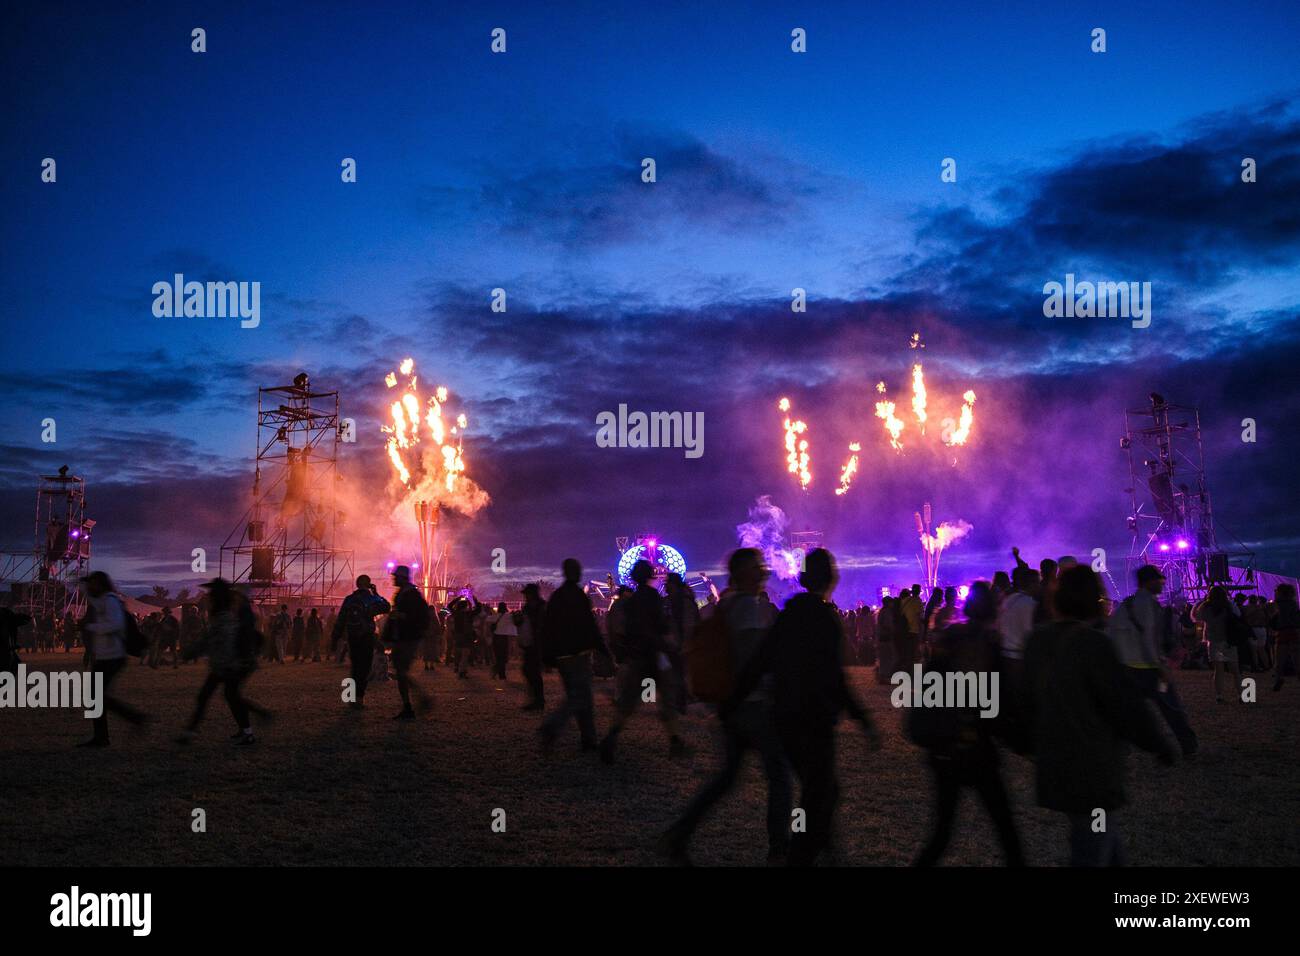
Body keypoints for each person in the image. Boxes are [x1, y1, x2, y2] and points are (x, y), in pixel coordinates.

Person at [728, 549, 880, 866]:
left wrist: (733, 699)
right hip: (814, 721)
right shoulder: (826, 619)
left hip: (784, 718)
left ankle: (820, 848)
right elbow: (835, 677)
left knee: (821, 791)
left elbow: (760, 660)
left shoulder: (787, 615)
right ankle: (801, 853)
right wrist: (861, 717)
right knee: (819, 794)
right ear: (831, 578)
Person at [1023, 566, 1177, 866]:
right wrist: (1159, 744)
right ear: (1095, 600)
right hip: (1091, 766)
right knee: (1091, 844)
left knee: (1100, 837)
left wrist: (1028, 743)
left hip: (1054, 761)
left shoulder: (1037, 641)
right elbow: (1126, 707)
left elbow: (1024, 699)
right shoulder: (1094, 645)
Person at [660, 548, 792, 865]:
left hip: (732, 705)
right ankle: (779, 849)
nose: (763, 572)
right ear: (745, 573)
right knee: (780, 776)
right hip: (752, 705)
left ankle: (680, 833)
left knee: (726, 779)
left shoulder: (729, 602)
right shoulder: (747, 606)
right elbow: (751, 658)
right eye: (758, 568)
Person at [913, 583, 1025, 867]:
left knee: (941, 833)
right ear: (993, 611)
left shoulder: (948, 639)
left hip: (944, 748)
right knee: (1006, 831)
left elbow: (928, 690)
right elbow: (1001, 705)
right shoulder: (990, 645)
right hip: (978, 750)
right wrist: (1021, 740)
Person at [599, 560, 686, 763]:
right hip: (656, 653)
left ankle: (611, 737)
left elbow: (627, 628)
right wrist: (669, 643)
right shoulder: (653, 597)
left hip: (637, 655)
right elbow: (661, 623)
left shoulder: (632, 601)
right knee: (666, 698)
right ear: (650, 575)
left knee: (628, 702)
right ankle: (675, 740)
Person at [1108, 565, 1198, 757]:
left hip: (1128, 668)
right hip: (1150, 670)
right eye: (1160, 580)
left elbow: (1113, 633)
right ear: (1148, 581)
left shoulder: (1126, 605)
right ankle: (1187, 745)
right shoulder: (1149, 604)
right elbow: (1149, 638)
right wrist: (1160, 666)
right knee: (1171, 707)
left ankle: (1120, 747)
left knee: (1127, 711)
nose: (1162, 584)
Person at [177, 579, 271, 745]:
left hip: (229, 665)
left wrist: (191, 653)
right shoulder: (227, 614)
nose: (208, 597)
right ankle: (249, 726)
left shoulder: (224, 617)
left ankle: (191, 732)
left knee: (219, 696)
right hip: (228, 664)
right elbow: (209, 640)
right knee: (227, 696)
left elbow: (212, 641)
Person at [540, 559, 605, 753]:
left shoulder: (557, 597)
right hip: (579, 653)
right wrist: (602, 648)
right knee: (581, 696)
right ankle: (555, 725)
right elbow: (589, 625)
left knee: (578, 695)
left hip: (562, 655)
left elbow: (548, 628)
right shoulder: (578, 596)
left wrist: (548, 655)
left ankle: (588, 738)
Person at [78, 571, 149, 747]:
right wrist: (83, 585)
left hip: (113, 656)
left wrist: (90, 626)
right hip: (106, 656)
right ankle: (102, 736)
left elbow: (114, 625)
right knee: (96, 697)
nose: (90, 586)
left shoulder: (110, 601)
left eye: (93, 583)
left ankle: (130, 720)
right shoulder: (103, 600)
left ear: (100, 584)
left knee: (97, 697)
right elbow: (91, 599)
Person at [331, 575, 391, 710]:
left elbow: (341, 620)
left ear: (357, 584)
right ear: (369, 584)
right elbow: (387, 607)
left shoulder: (349, 600)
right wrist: (376, 592)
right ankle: (359, 699)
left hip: (352, 636)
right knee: (364, 668)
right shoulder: (371, 599)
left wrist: (335, 637)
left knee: (355, 667)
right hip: (367, 636)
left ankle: (350, 698)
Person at [385, 565, 431, 718]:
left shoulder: (410, 595)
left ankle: (416, 701)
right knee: (400, 671)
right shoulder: (406, 594)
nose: (393, 579)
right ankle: (412, 703)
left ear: (402, 578)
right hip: (405, 637)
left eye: (396, 577)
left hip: (408, 638)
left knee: (401, 671)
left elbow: (419, 616)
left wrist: (403, 617)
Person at [1193, 586, 1243, 704]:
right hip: (1228, 640)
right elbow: (1239, 615)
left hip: (1213, 640)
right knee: (1235, 670)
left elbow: (1196, 617)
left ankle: (1219, 695)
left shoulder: (1206, 606)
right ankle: (1242, 695)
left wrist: (1198, 603)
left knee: (1218, 670)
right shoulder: (1229, 605)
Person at [664, 572, 698, 713]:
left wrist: (684, 642)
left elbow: (687, 624)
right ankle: (681, 701)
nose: (665, 585)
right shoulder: (681, 599)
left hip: (681, 643)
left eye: (667, 583)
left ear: (673, 585)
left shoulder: (680, 601)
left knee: (680, 674)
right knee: (680, 673)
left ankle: (681, 702)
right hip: (680, 642)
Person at [519, 584, 546, 710]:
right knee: (528, 670)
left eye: (527, 594)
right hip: (529, 641)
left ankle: (538, 700)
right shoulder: (528, 607)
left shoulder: (540, 607)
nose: (525, 596)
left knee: (533, 671)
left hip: (537, 642)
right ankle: (536, 699)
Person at [1268, 583, 1299, 691]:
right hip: (1293, 632)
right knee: (1297, 659)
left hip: (1282, 633)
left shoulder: (1277, 604)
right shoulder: (1294, 604)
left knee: (1279, 660)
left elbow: (1273, 618)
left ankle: (1278, 678)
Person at [491, 602, 514, 680]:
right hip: (505, 638)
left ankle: (498, 672)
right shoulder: (509, 616)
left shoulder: (495, 616)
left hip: (496, 637)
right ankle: (501, 674)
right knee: (504, 657)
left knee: (498, 656)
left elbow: (488, 622)